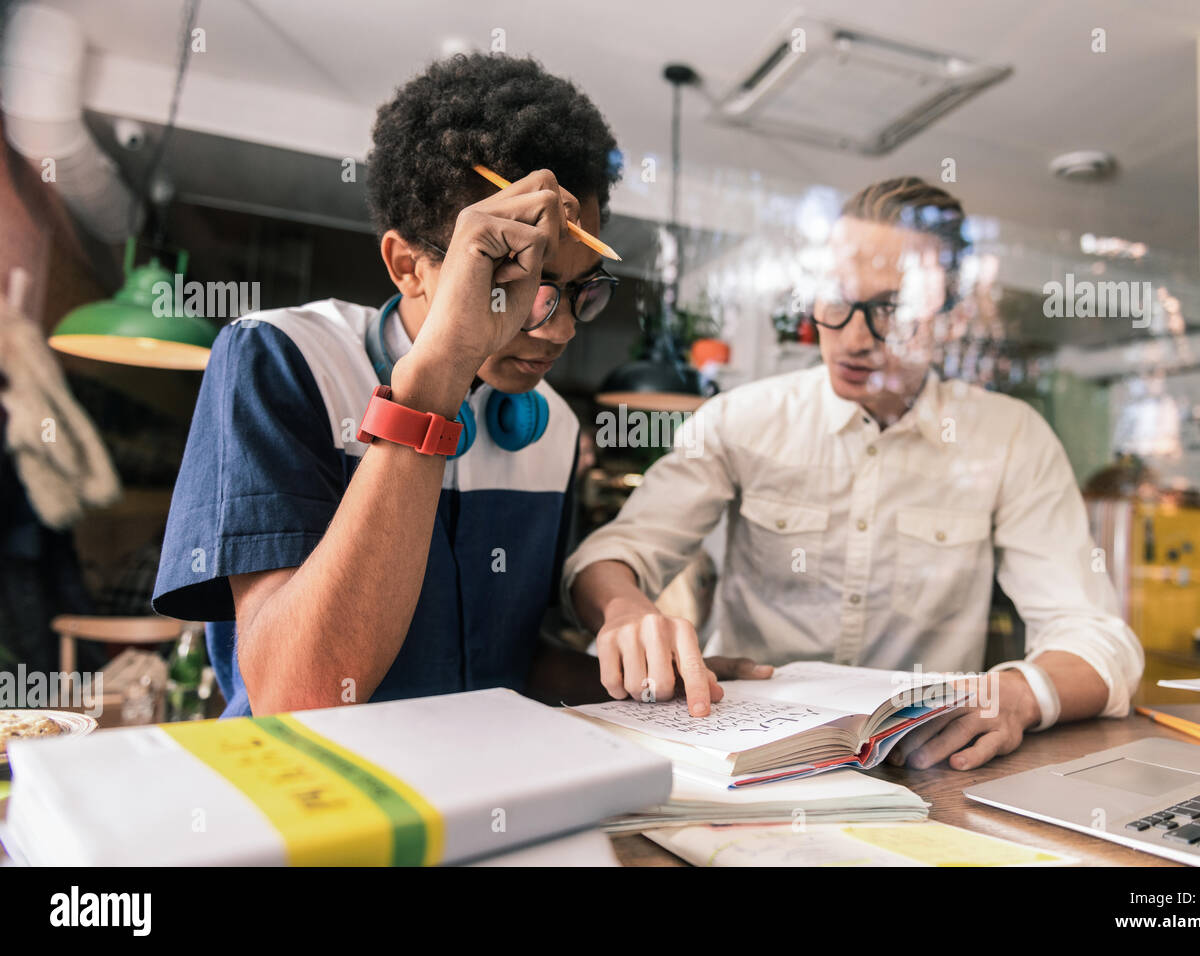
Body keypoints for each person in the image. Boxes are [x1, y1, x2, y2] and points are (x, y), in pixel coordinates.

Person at [565, 177, 1144, 771]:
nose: (853, 338)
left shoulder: (1010, 438)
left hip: (922, 768)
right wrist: (627, 612)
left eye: (891, 309)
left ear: (950, 315)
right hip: (740, 753)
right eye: (836, 300)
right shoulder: (742, 419)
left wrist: (1021, 695)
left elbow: (1101, 643)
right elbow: (610, 556)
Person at [152, 54, 628, 716]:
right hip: (313, 801)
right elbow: (298, 694)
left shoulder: (552, 423)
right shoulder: (281, 357)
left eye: (582, 294)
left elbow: (513, 664)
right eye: (522, 285)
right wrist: (437, 379)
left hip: (484, 800)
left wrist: (657, 689)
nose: (559, 330)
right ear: (408, 265)